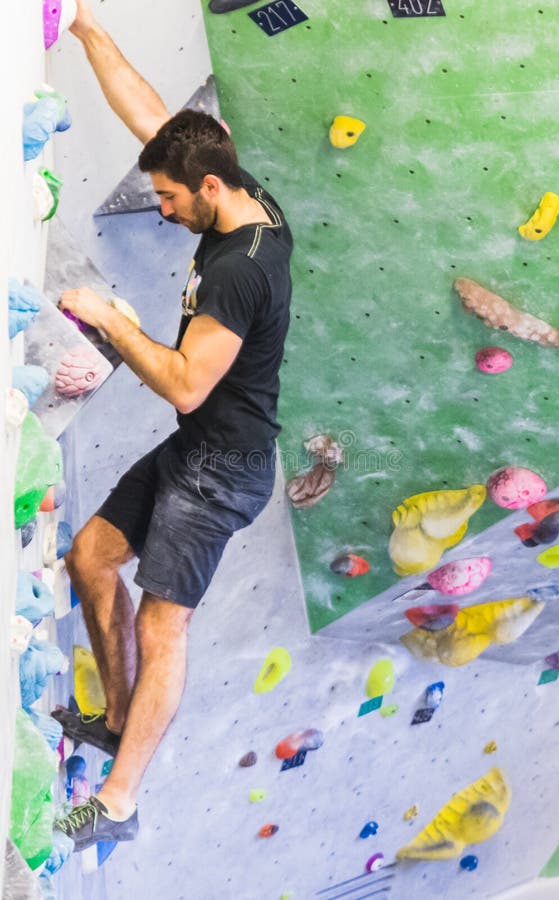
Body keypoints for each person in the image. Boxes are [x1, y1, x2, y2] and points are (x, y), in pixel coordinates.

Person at [52, 0, 292, 851]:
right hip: (203, 448)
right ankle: (117, 719)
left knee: (163, 624)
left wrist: (114, 319)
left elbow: (187, 385)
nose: (159, 211)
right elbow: (152, 116)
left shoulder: (239, 273)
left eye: (166, 200)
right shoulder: (226, 188)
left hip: (223, 467)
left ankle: (119, 802)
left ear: (210, 190)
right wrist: (87, 27)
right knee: (90, 558)